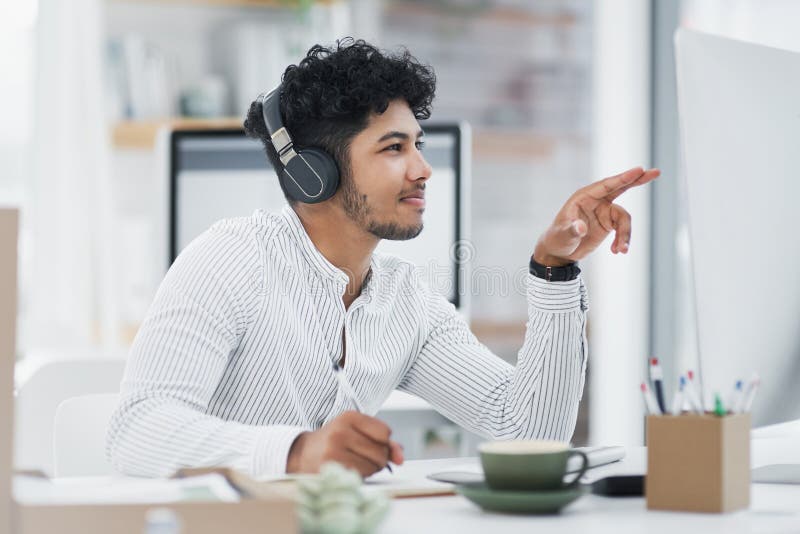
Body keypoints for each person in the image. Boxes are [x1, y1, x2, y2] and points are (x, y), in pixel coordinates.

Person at [106, 38, 659, 478]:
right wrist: (298, 452)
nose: (423, 169)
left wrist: (554, 270)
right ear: (311, 172)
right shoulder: (228, 261)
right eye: (394, 148)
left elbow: (531, 430)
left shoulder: (405, 302)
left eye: (417, 144)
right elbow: (138, 433)